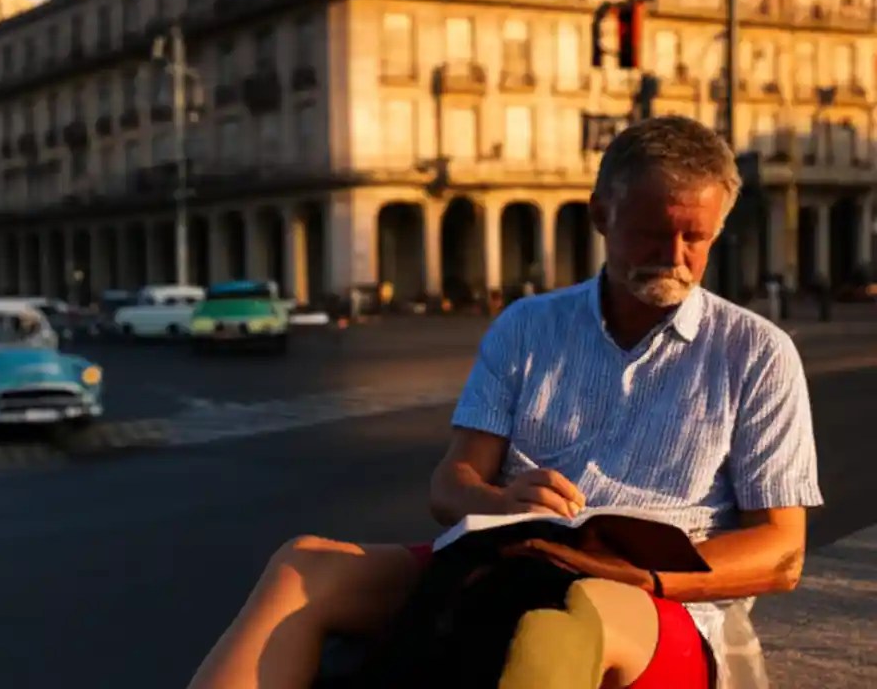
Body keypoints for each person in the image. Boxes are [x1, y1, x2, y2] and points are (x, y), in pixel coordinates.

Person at [187, 116, 821, 689]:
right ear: (601, 214)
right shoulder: (526, 326)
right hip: (513, 559)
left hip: (657, 603)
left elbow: (782, 552)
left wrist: (640, 576)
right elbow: (451, 484)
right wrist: (498, 500)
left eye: (695, 238)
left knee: (555, 626)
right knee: (304, 567)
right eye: (652, 235)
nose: (674, 258)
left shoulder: (757, 353)